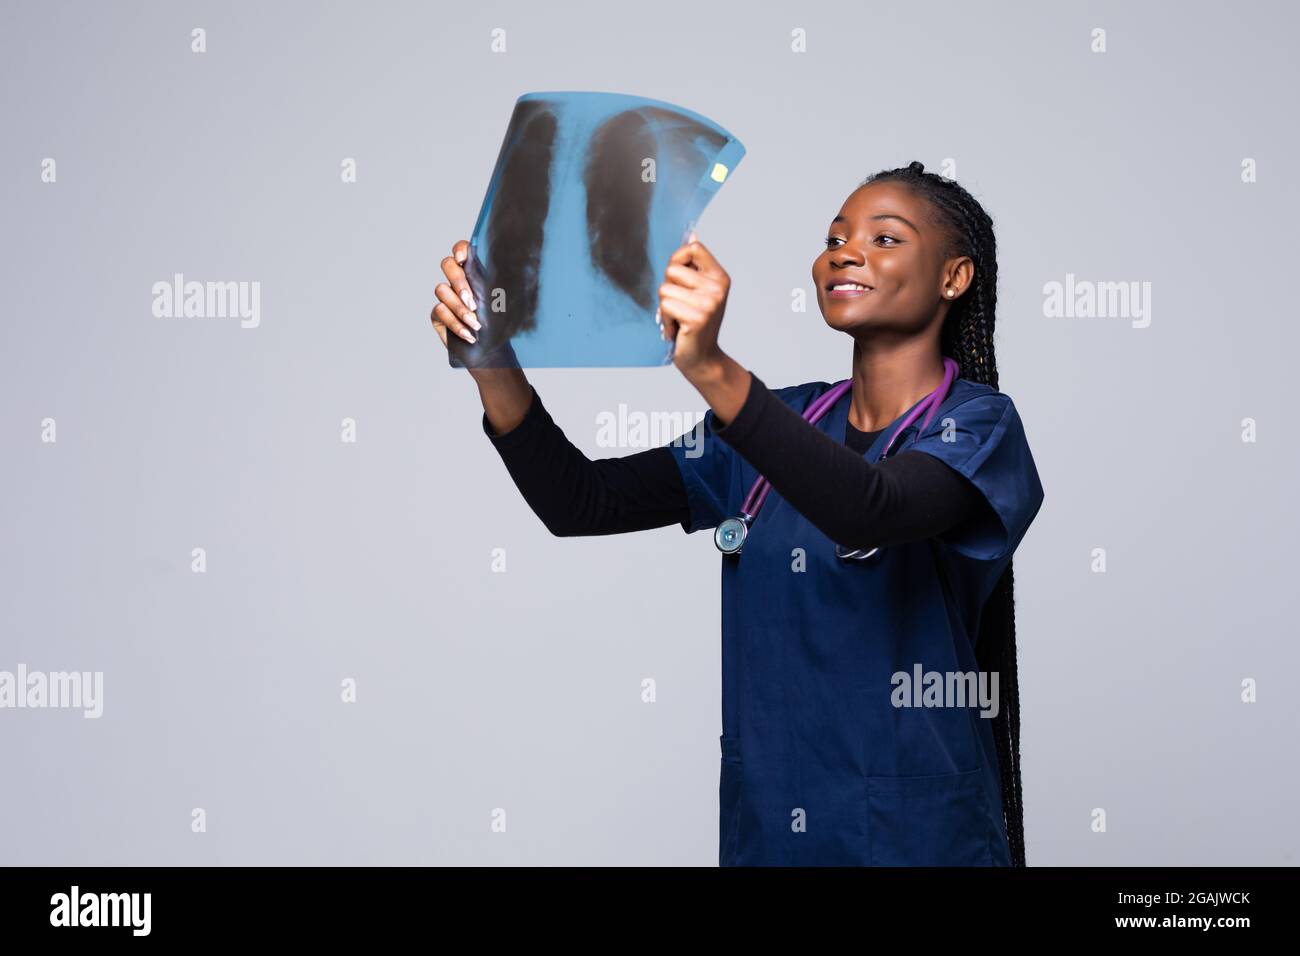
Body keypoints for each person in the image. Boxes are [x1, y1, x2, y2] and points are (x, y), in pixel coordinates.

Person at [431, 160, 1045, 866]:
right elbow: (580, 502)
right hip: (770, 832)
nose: (844, 251)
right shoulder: (774, 421)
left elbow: (872, 508)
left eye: (885, 239)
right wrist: (491, 363)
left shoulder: (978, 426)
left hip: (918, 838)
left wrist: (709, 366)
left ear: (954, 277)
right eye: (835, 236)